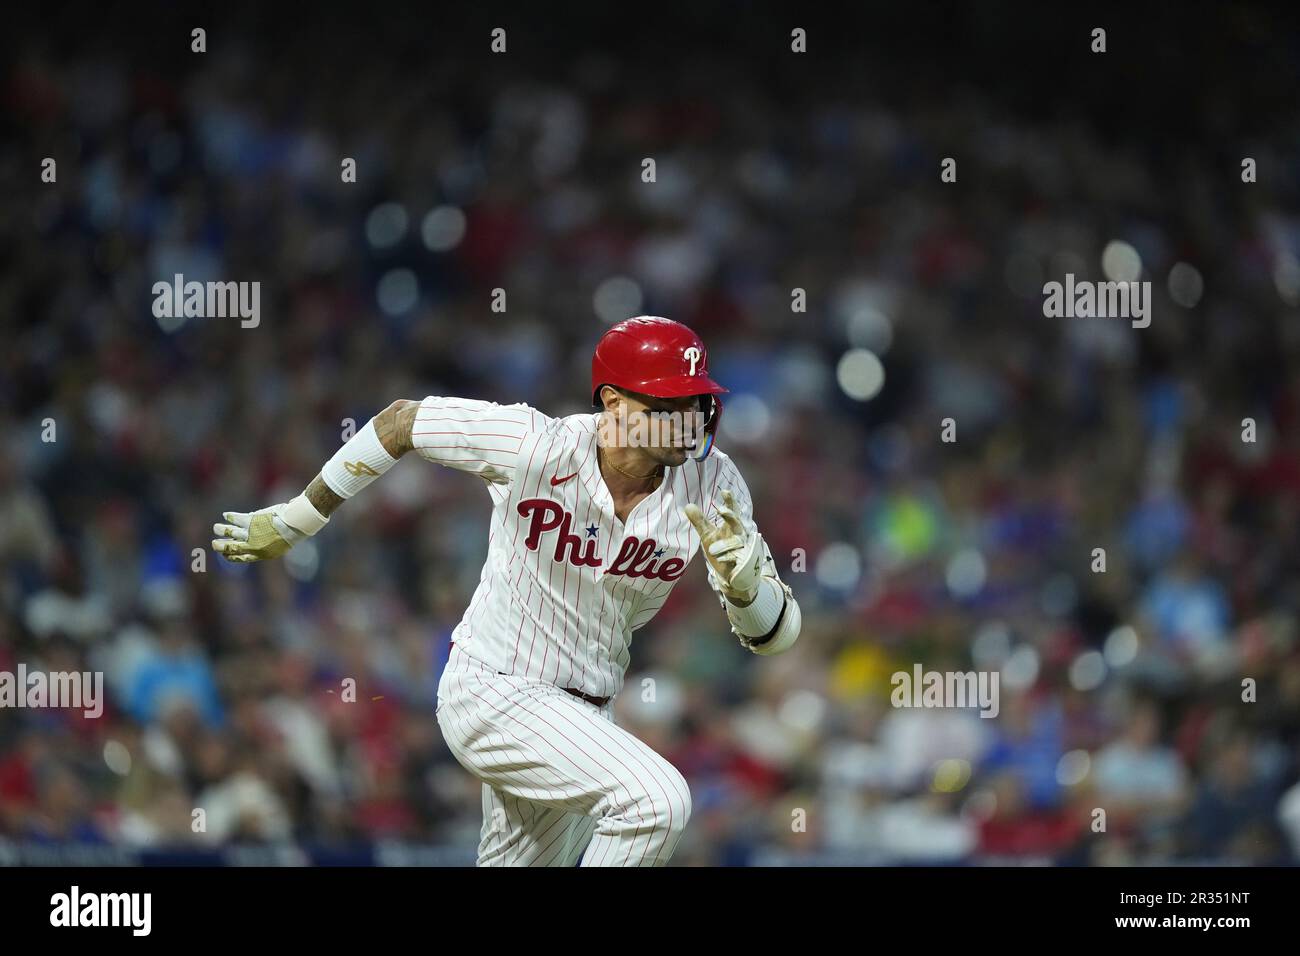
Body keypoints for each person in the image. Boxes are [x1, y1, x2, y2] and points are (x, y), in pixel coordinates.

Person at [211, 316, 802, 865]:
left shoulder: (715, 481)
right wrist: (297, 520)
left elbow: (771, 638)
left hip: (583, 716)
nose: (692, 415)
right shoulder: (535, 445)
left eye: (698, 400)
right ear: (614, 404)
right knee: (657, 801)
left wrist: (746, 585)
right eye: (670, 400)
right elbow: (401, 422)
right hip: (494, 689)